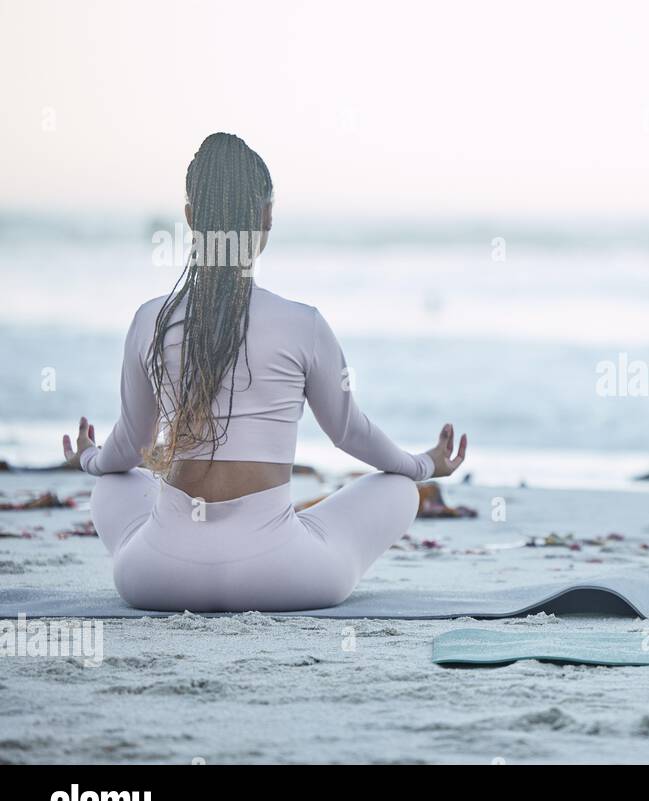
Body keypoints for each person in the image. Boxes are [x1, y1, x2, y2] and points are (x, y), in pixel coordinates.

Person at [62, 132, 466, 612]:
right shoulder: (304, 324)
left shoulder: (151, 319)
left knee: (113, 481)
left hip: (155, 578)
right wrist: (425, 465)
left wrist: (87, 459)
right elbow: (350, 434)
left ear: (190, 217)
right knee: (399, 487)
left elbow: (126, 449)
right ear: (267, 218)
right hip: (283, 577)